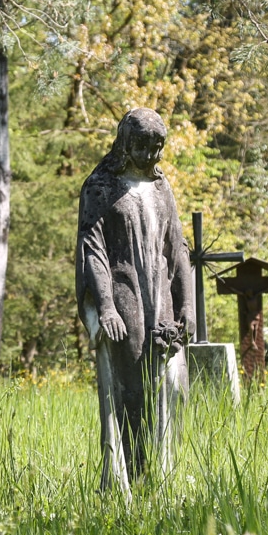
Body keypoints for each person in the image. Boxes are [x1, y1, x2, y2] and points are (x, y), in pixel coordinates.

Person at [76, 108, 193, 494]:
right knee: (130, 389)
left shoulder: (161, 188)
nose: (149, 155)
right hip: (124, 294)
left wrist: (186, 307)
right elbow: (93, 249)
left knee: (163, 387)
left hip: (159, 297)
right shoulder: (100, 187)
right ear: (126, 142)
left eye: (157, 147)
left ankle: (159, 477)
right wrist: (105, 305)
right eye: (142, 146)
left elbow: (177, 250)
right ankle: (127, 480)